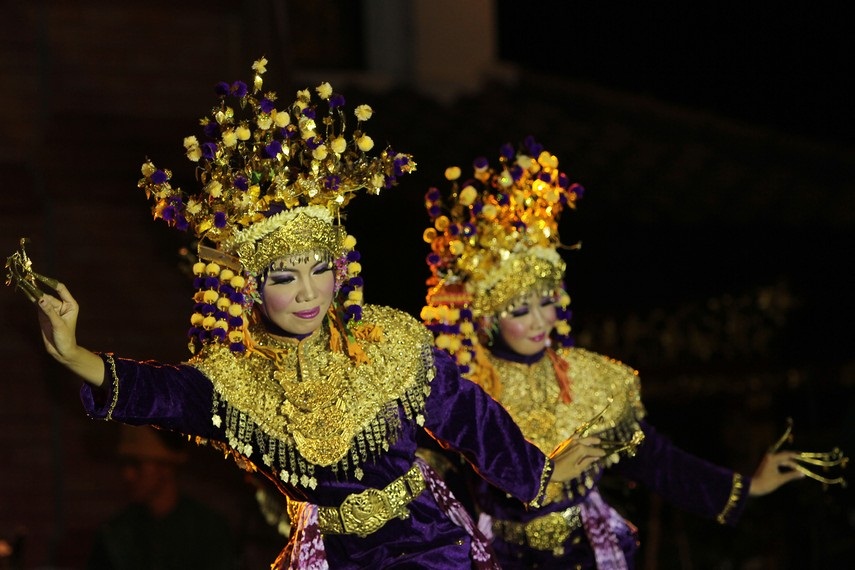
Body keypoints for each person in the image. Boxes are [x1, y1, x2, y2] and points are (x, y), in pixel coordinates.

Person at [8, 60, 590, 569]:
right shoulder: (237, 382)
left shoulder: (387, 343)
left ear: (340, 271)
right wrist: (71, 352)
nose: (309, 294)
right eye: (285, 278)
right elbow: (158, 393)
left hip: (427, 546)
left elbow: (468, 417)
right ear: (253, 290)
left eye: (320, 270)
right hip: (331, 557)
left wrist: (541, 473)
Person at [420, 137, 847, 569]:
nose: (539, 321)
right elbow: (436, 484)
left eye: (548, 301)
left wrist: (746, 486)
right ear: (488, 317)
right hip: (496, 556)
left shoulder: (595, 381)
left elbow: (655, 460)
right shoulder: (467, 389)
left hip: (585, 555)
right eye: (519, 309)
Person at [88, 425, 237, 569]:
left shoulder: (207, 533)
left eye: (137, 465)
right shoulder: (115, 536)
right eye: (125, 464)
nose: (128, 475)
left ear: (166, 468)